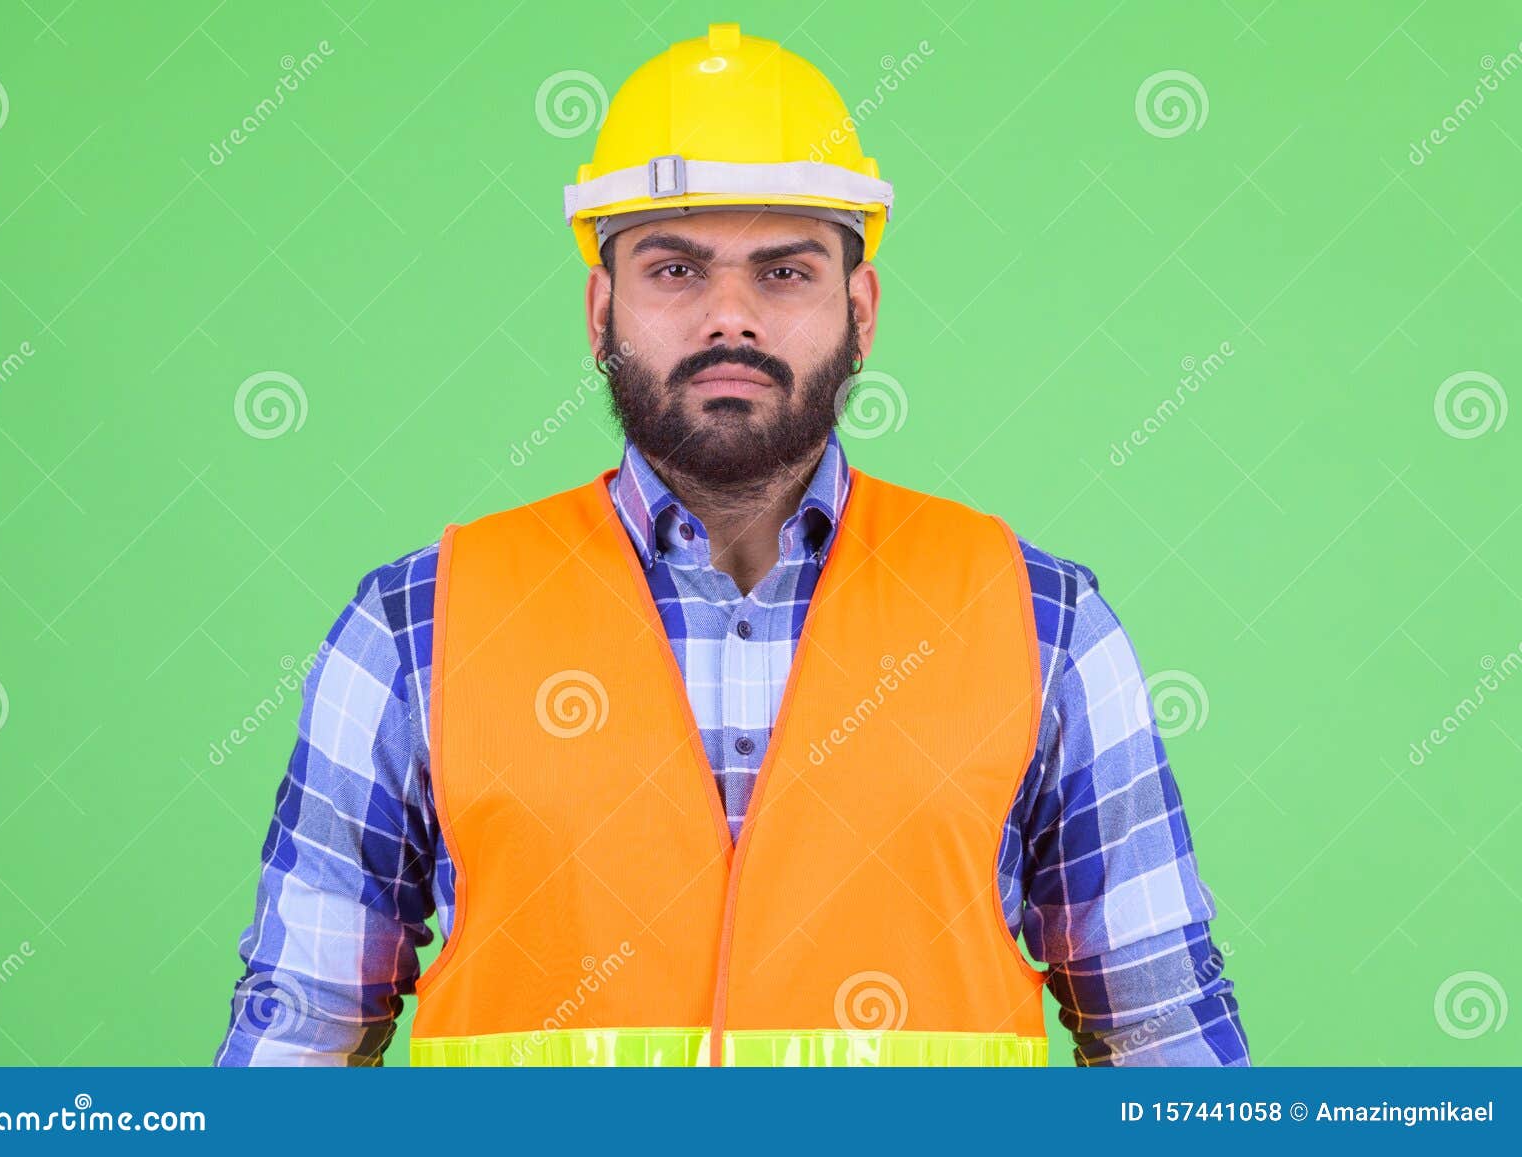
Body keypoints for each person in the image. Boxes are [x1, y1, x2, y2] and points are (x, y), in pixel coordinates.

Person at [214, 23, 1248, 1067]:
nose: (730, 317)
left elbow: (1165, 1039)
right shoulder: (413, 626)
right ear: (599, 308)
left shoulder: (1042, 622)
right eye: (673, 269)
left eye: (784, 272)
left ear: (860, 308)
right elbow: (300, 1035)